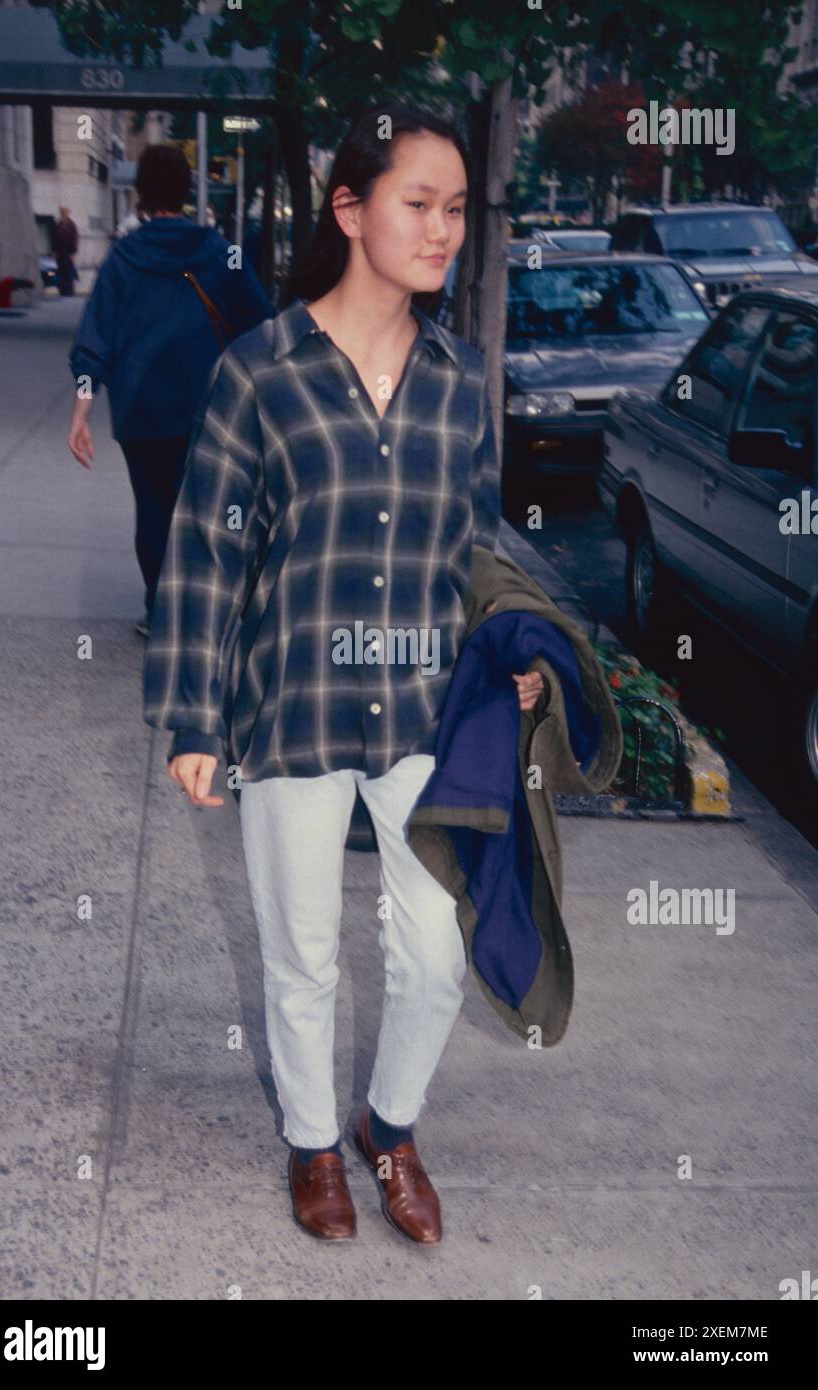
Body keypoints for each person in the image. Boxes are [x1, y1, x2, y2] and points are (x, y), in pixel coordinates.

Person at [142, 105, 546, 1244]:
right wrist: (191, 716)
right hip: (291, 700)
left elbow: (476, 547)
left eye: (457, 209)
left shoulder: (463, 381)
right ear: (351, 209)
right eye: (418, 203)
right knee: (301, 949)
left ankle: (392, 1125)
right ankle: (315, 1144)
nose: (442, 229)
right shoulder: (259, 374)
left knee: (433, 951)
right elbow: (208, 551)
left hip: (426, 708)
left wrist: (513, 654)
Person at [66, 144, 274, 636]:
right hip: (209, 409)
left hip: (140, 411)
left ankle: (160, 609)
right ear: (186, 190)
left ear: (140, 192)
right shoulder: (222, 251)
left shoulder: (122, 257)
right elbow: (263, 325)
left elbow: (93, 342)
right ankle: (202, 611)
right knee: (204, 510)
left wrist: (80, 411)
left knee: (154, 509)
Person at [53, 207, 79, 297]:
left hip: (68, 252)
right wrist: (54, 252)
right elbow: (55, 239)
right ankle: (62, 291)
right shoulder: (58, 224)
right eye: (62, 212)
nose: (63, 214)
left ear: (68, 213)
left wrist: (73, 254)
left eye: (65, 212)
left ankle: (69, 292)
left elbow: (75, 240)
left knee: (69, 273)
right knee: (60, 272)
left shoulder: (72, 225)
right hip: (60, 252)